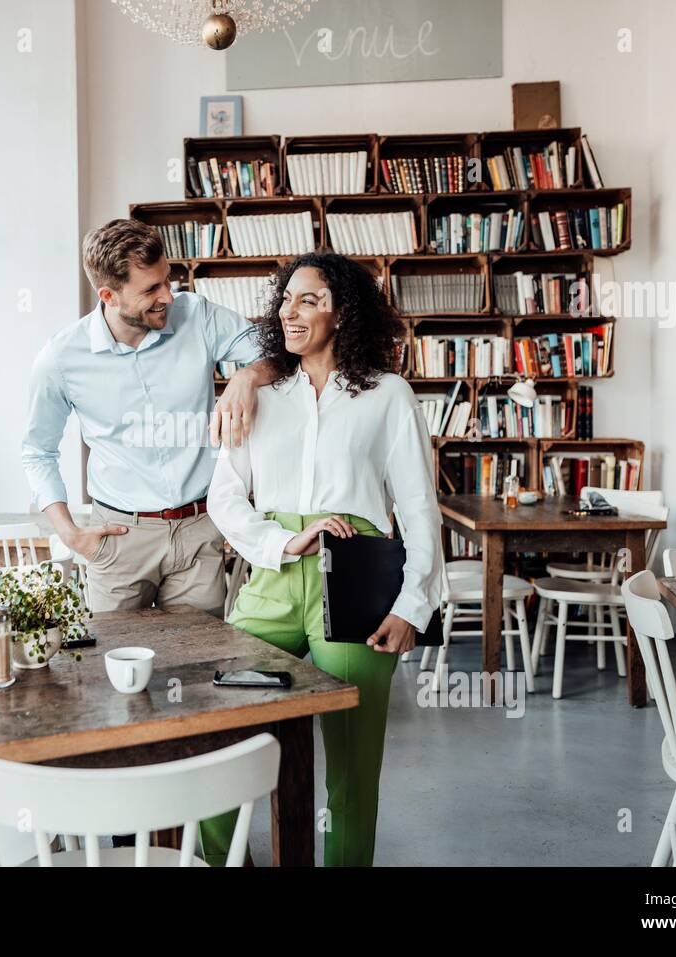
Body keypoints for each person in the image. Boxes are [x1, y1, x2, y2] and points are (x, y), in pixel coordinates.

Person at [202, 251, 444, 867]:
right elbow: (225, 496)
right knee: (212, 744)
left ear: (345, 312)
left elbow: (419, 508)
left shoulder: (388, 395)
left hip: (358, 580)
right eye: (286, 299)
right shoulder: (260, 392)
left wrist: (413, 604)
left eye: (309, 300)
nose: (291, 310)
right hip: (275, 575)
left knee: (353, 770)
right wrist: (281, 542)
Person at [22, 218, 274, 617]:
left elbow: (279, 354)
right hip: (119, 539)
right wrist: (69, 533)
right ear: (108, 295)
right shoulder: (60, 358)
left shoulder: (198, 316)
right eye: (151, 289)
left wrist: (247, 375)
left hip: (198, 530)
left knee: (196, 668)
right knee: (116, 672)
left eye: (167, 281)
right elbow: (38, 451)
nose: (169, 297)